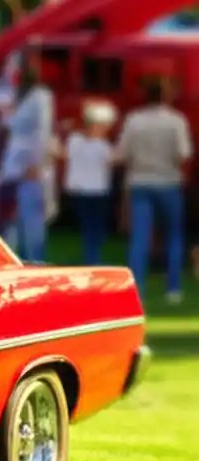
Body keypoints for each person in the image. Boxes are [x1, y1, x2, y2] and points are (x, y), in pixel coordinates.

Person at [119, 78, 192, 304]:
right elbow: (184, 154)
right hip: (168, 182)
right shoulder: (176, 121)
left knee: (139, 237)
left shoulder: (134, 120)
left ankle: (136, 286)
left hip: (140, 181)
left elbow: (122, 153)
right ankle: (173, 288)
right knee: (173, 236)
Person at [0, 56, 54, 262]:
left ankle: (35, 262)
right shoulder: (17, 96)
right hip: (11, 165)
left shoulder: (40, 96)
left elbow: (43, 130)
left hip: (30, 165)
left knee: (31, 219)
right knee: (9, 215)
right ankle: (11, 260)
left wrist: (37, 162)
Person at [62, 102, 117, 265]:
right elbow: (112, 162)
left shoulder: (75, 140)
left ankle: (91, 257)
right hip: (97, 191)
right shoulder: (103, 146)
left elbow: (66, 155)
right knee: (95, 227)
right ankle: (93, 258)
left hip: (80, 191)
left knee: (90, 227)